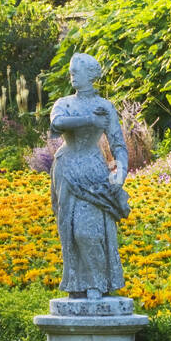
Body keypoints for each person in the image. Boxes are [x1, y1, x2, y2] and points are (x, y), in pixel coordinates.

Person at [48, 53, 130, 299]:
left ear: (92, 75)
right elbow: (58, 123)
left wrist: (120, 173)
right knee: (69, 229)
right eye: (71, 71)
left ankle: (97, 282)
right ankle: (76, 283)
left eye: (77, 71)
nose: (71, 75)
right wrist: (89, 119)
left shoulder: (105, 107)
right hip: (66, 168)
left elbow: (118, 145)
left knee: (88, 230)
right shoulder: (64, 103)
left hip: (93, 170)